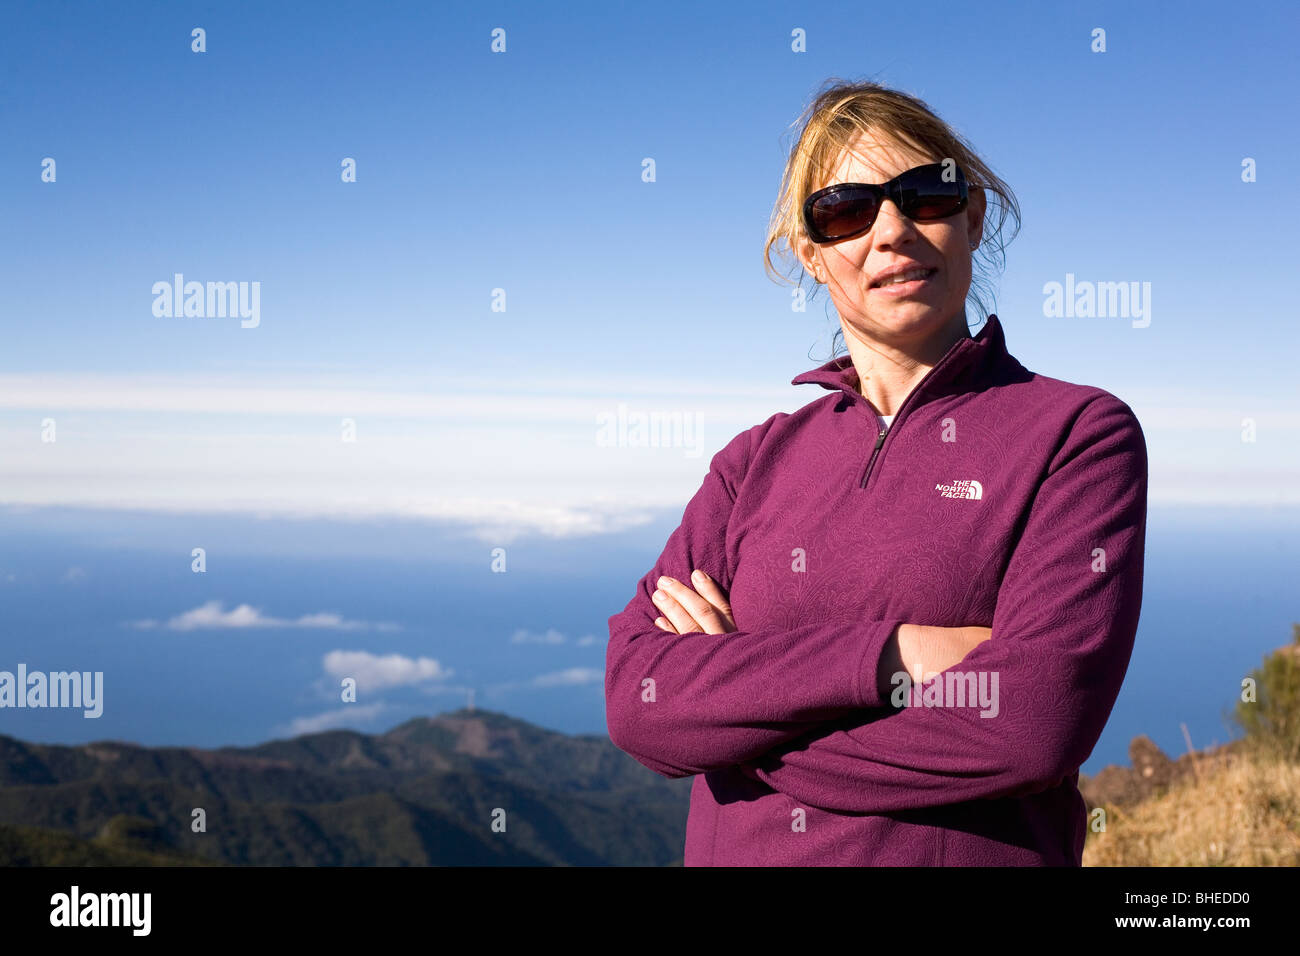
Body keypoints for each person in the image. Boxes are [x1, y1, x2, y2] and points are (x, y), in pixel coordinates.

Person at [604, 79, 1148, 866]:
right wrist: (897, 657)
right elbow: (639, 700)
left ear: (971, 216)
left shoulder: (1076, 435)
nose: (891, 230)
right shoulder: (752, 461)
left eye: (926, 194)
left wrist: (741, 722)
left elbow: (1031, 726)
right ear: (812, 255)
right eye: (846, 210)